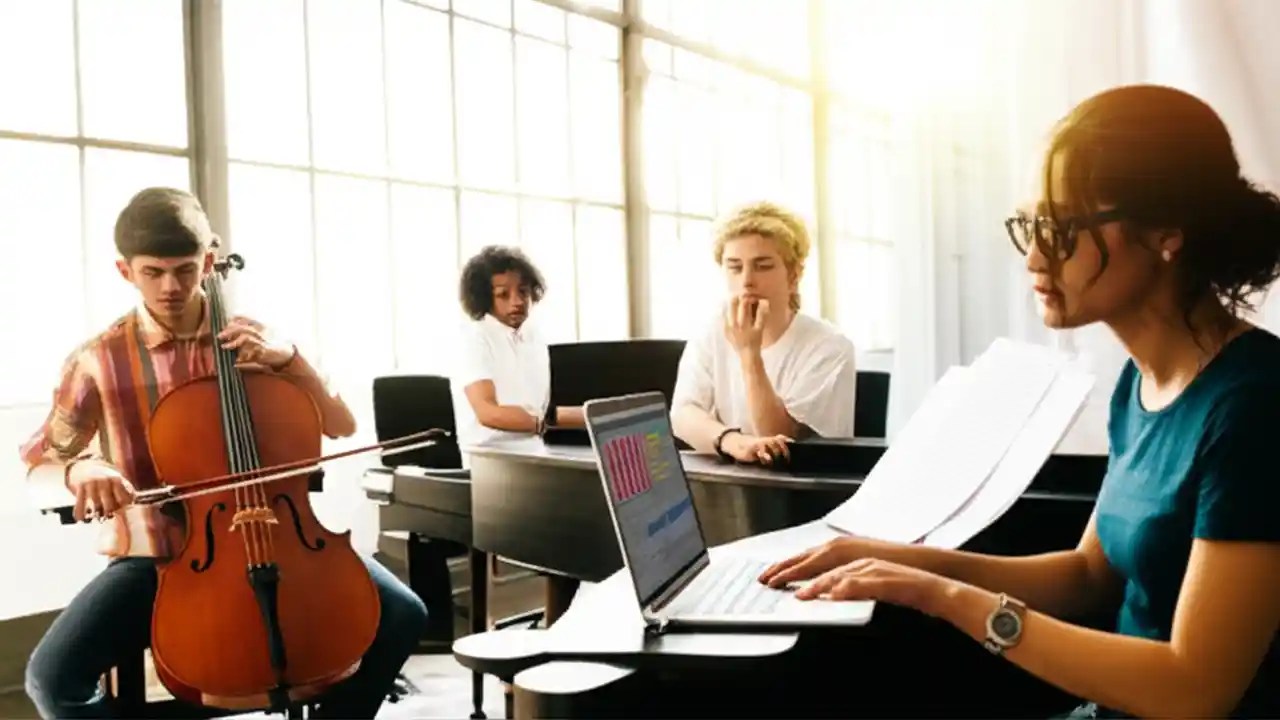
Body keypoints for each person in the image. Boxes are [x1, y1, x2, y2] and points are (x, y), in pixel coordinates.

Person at [760, 85, 1280, 718]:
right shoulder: (1138, 385)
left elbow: (1195, 685)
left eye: (1063, 229)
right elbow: (1090, 576)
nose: (1034, 256)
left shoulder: (1254, 405)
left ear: (1166, 234)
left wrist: (945, 597)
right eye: (1032, 225)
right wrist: (895, 560)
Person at [19, 187, 428, 719]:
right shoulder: (99, 360)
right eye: (153, 272)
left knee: (404, 614)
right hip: (163, 557)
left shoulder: (253, 341)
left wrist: (292, 362)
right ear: (126, 271)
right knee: (52, 681)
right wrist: (79, 469)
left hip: (287, 540)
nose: (171, 287)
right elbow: (37, 467)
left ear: (208, 262)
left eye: (186, 270)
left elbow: (341, 424)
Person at [670, 201, 857, 465]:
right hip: (732, 484)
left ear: (793, 276)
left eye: (763, 266)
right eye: (735, 267)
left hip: (798, 492)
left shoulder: (830, 347)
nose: (747, 281)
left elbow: (779, 442)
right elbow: (684, 414)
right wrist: (731, 441)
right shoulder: (711, 331)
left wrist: (749, 354)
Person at [453, 245, 583, 448]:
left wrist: (593, 416)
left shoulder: (534, 337)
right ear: (485, 298)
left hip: (534, 451)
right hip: (489, 457)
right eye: (503, 294)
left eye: (523, 291)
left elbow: (539, 411)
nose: (518, 302)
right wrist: (542, 424)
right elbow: (488, 412)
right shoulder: (474, 337)